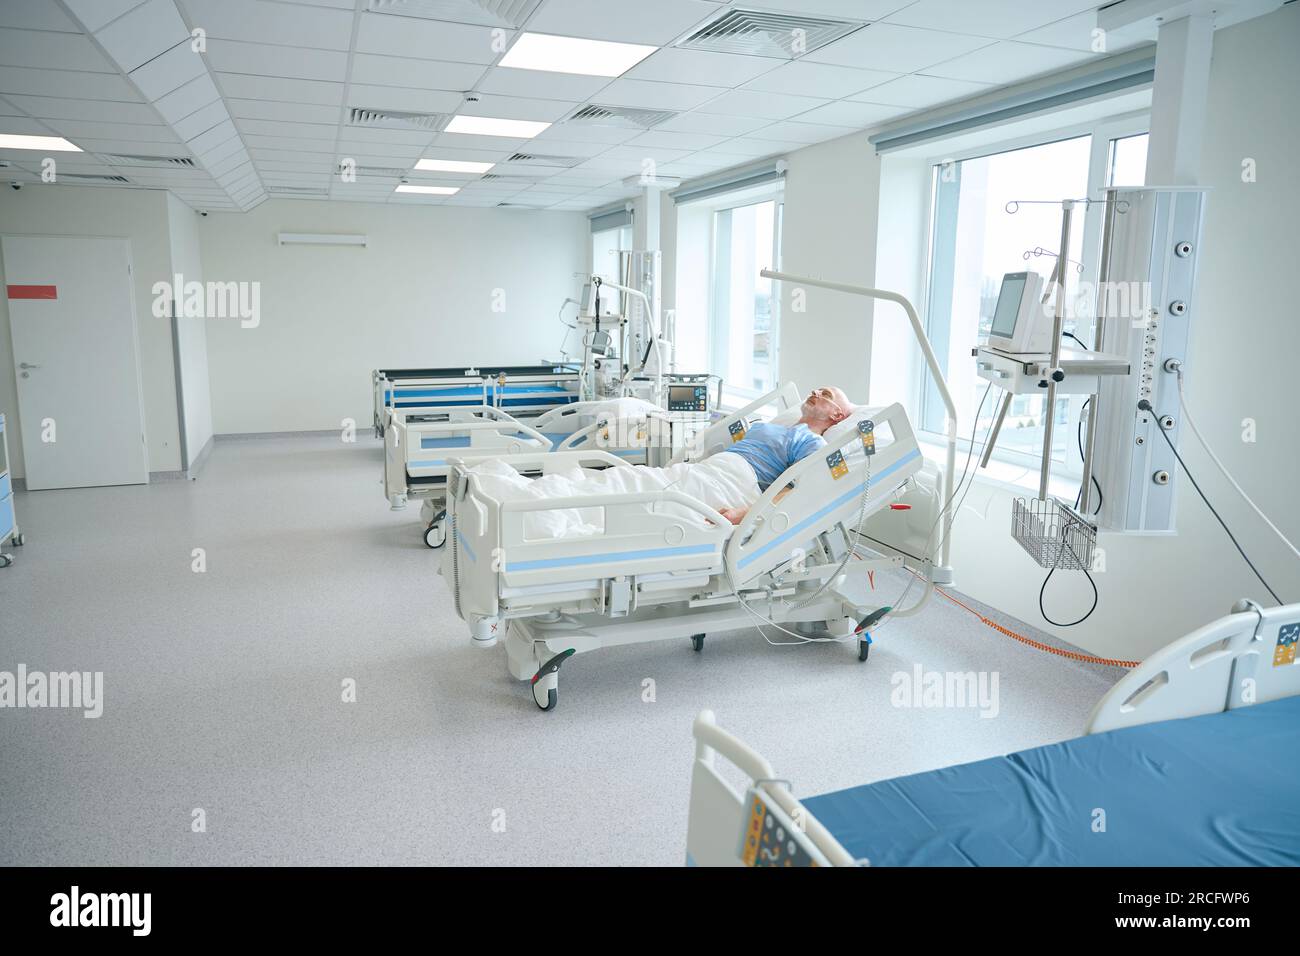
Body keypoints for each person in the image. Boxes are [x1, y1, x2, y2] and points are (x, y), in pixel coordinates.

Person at [467, 386, 852, 537]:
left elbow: (803, 487)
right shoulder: (772, 424)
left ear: (836, 416)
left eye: (829, 393)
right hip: (703, 472)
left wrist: (745, 512)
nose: (818, 391)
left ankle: (533, 513)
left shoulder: (809, 442)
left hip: (731, 484)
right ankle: (525, 498)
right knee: (623, 479)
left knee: (636, 493)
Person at [716, 386, 851, 524]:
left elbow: (798, 490)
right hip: (713, 467)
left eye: (826, 395)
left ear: (836, 415)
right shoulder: (765, 426)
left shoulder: (813, 442)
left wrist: (744, 514)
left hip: (734, 483)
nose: (815, 392)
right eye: (817, 390)